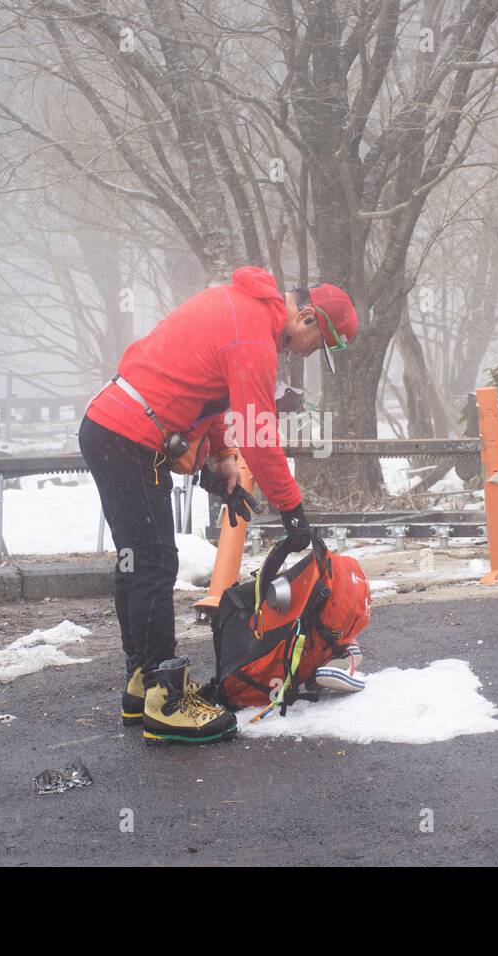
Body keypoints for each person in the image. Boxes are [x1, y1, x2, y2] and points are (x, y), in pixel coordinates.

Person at [79, 266, 358, 745]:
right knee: (153, 563)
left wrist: (220, 461)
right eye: (319, 345)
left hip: (113, 428)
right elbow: (259, 430)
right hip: (128, 436)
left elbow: (206, 396)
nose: (310, 354)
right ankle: (164, 701)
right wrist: (292, 511)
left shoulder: (241, 309)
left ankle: (140, 684)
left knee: (140, 562)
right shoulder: (254, 335)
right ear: (308, 318)